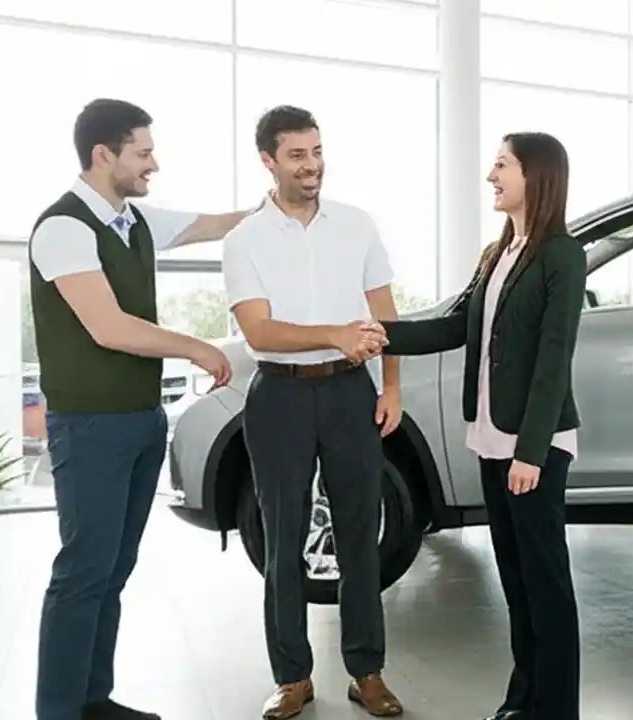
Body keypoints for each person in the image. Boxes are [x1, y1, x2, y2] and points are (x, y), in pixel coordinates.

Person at [31, 98, 254, 720]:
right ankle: (58, 711)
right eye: (143, 152)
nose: (153, 163)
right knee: (83, 571)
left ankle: (92, 700)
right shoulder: (64, 228)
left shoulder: (135, 222)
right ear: (105, 154)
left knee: (114, 569)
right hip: (90, 426)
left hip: (139, 421)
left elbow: (217, 223)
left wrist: (279, 196)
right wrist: (200, 347)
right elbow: (108, 326)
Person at [380, 132, 587, 720]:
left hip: (534, 446)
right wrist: (377, 332)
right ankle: (524, 699)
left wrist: (532, 450)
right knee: (517, 580)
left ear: (536, 175)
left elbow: (554, 359)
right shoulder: (498, 253)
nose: (490, 175)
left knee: (545, 582)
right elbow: (451, 327)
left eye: (502, 165)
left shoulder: (561, 255)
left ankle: (557, 709)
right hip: (493, 437)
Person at [221, 105, 405, 720]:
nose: (313, 166)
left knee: (360, 535)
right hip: (278, 397)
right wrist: (335, 331)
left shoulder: (356, 225)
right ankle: (292, 676)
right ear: (268, 161)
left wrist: (391, 387)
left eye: (318, 152)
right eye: (298, 155)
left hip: (352, 390)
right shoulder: (243, 240)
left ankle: (367, 671)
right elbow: (260, 331)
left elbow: (387, 316)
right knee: (283, 542)